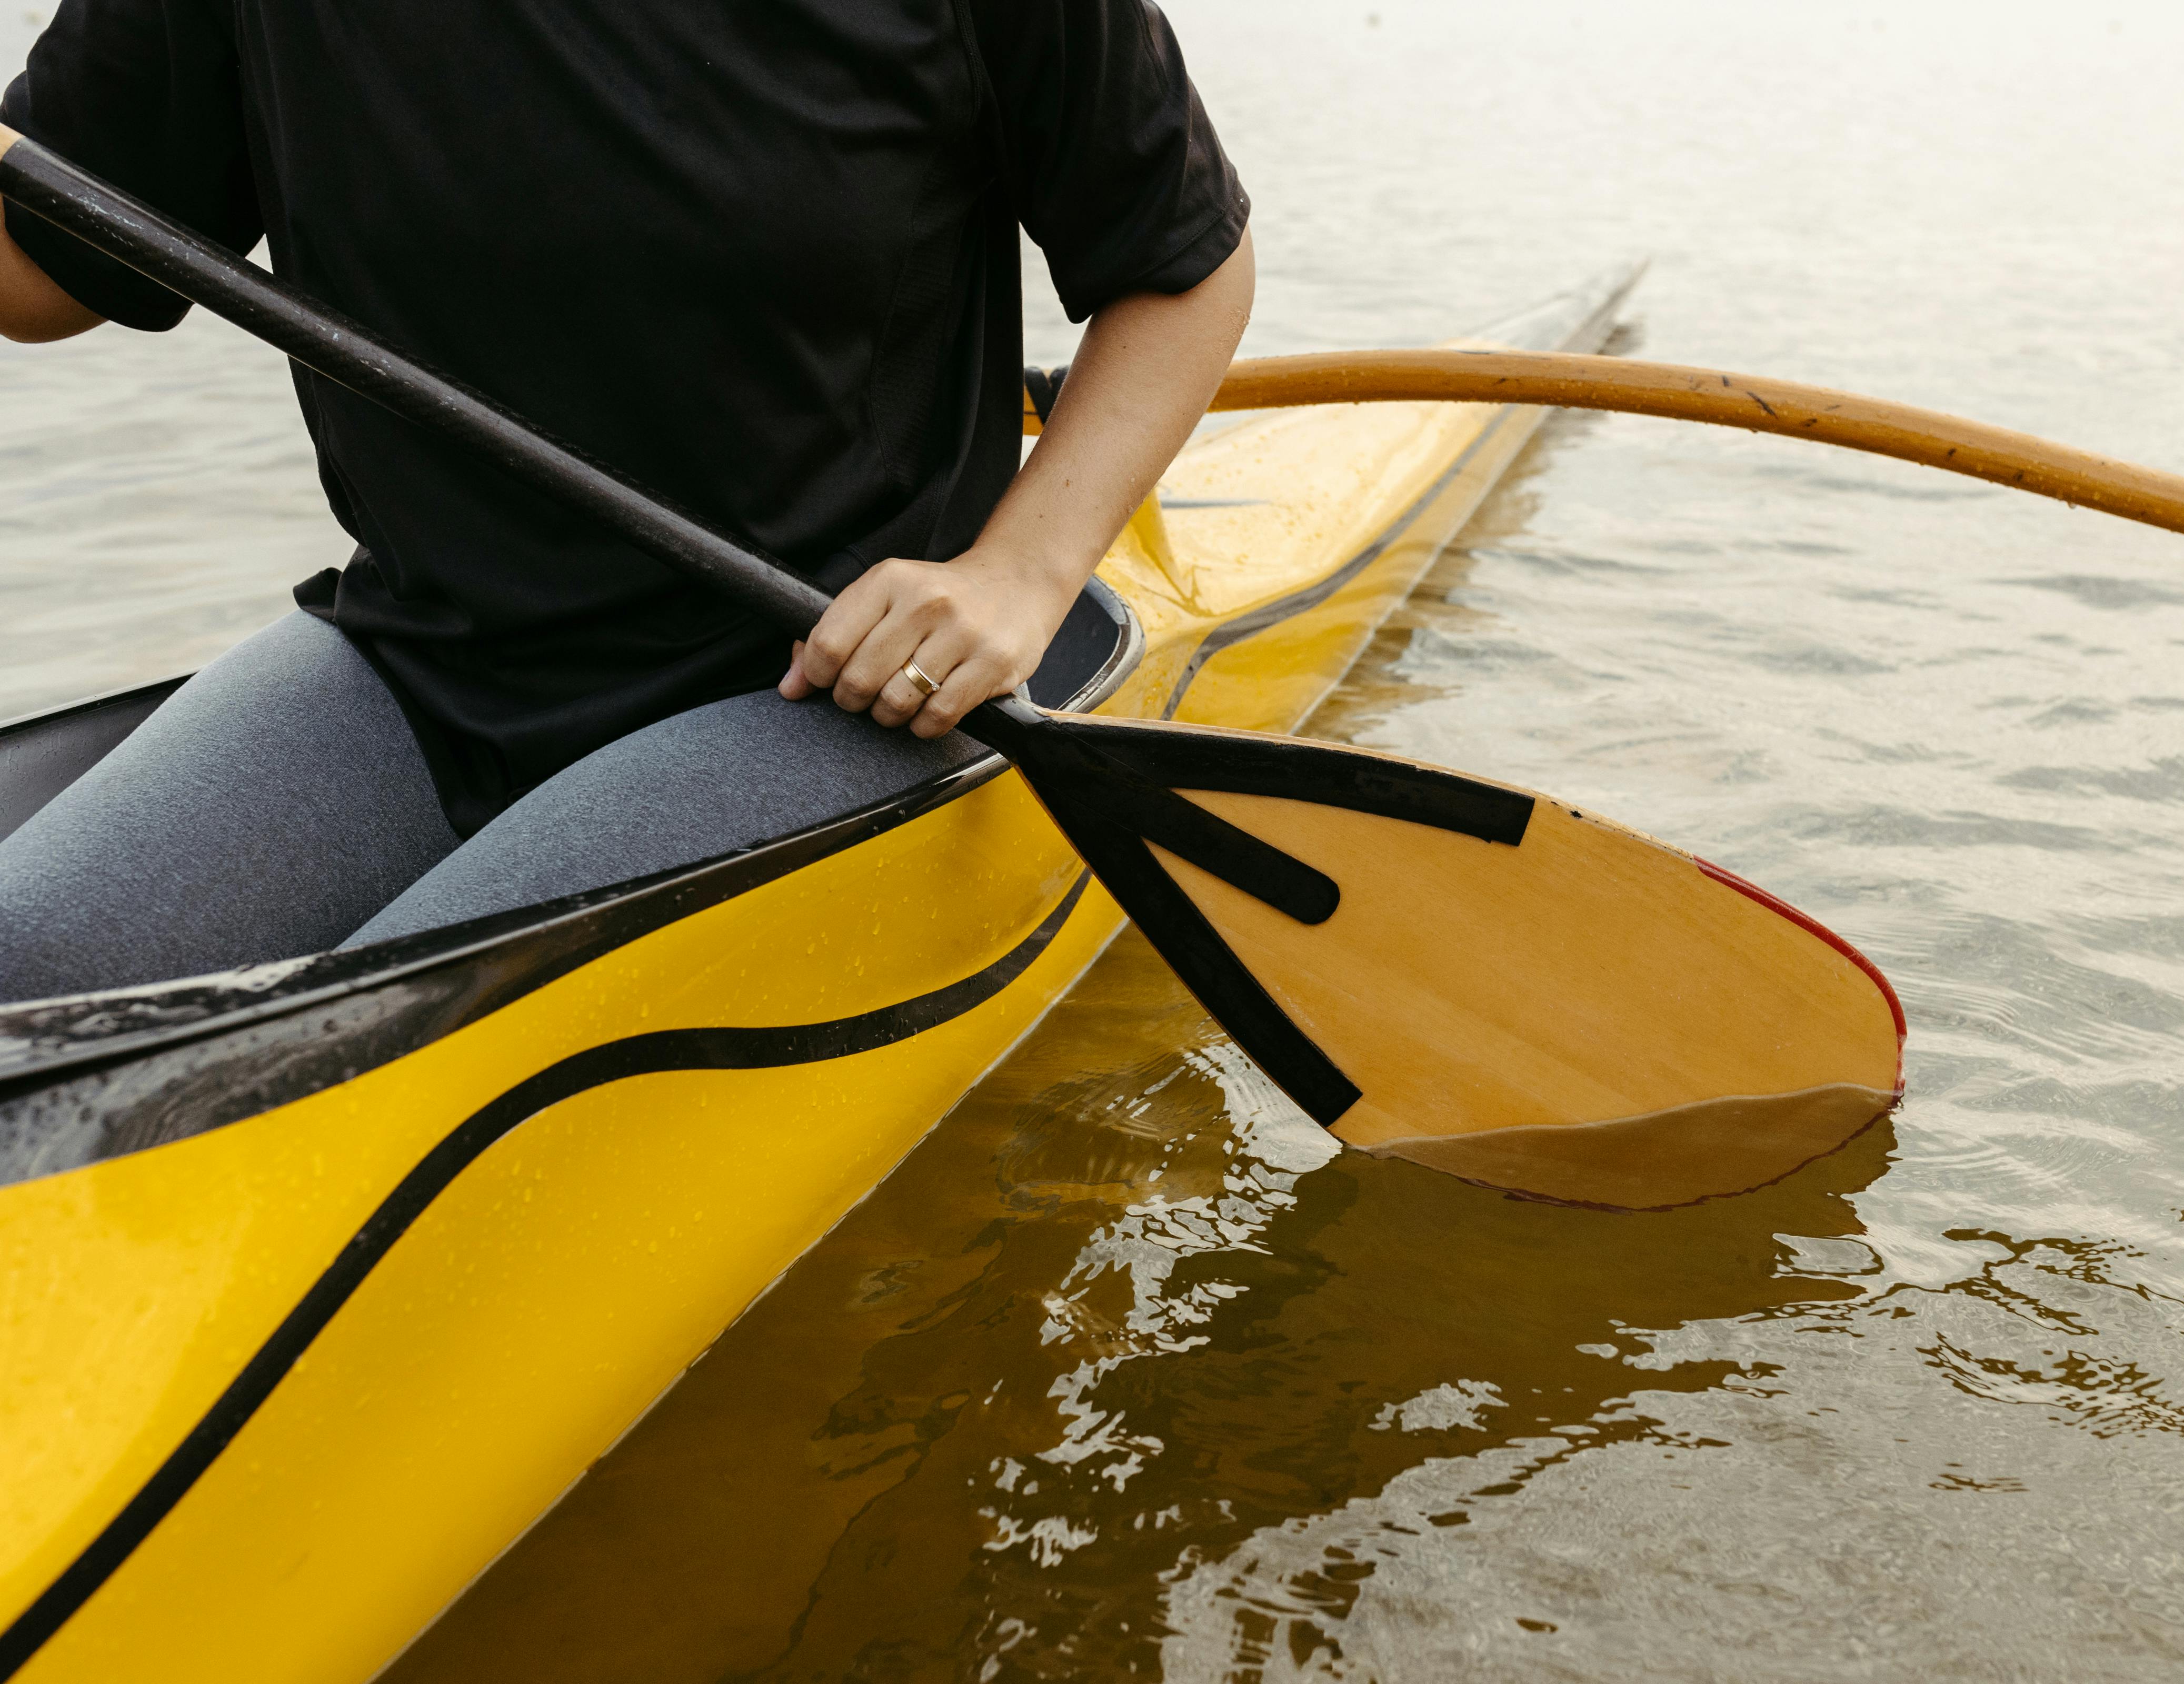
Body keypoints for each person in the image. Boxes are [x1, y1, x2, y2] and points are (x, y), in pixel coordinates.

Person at [0, 0, 1252, 1004]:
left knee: (395, 1027)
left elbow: (1181, 263)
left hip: (824, 682)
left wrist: (1017, 575)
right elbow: (43, 272)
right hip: (424, 667)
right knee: (22, 965)